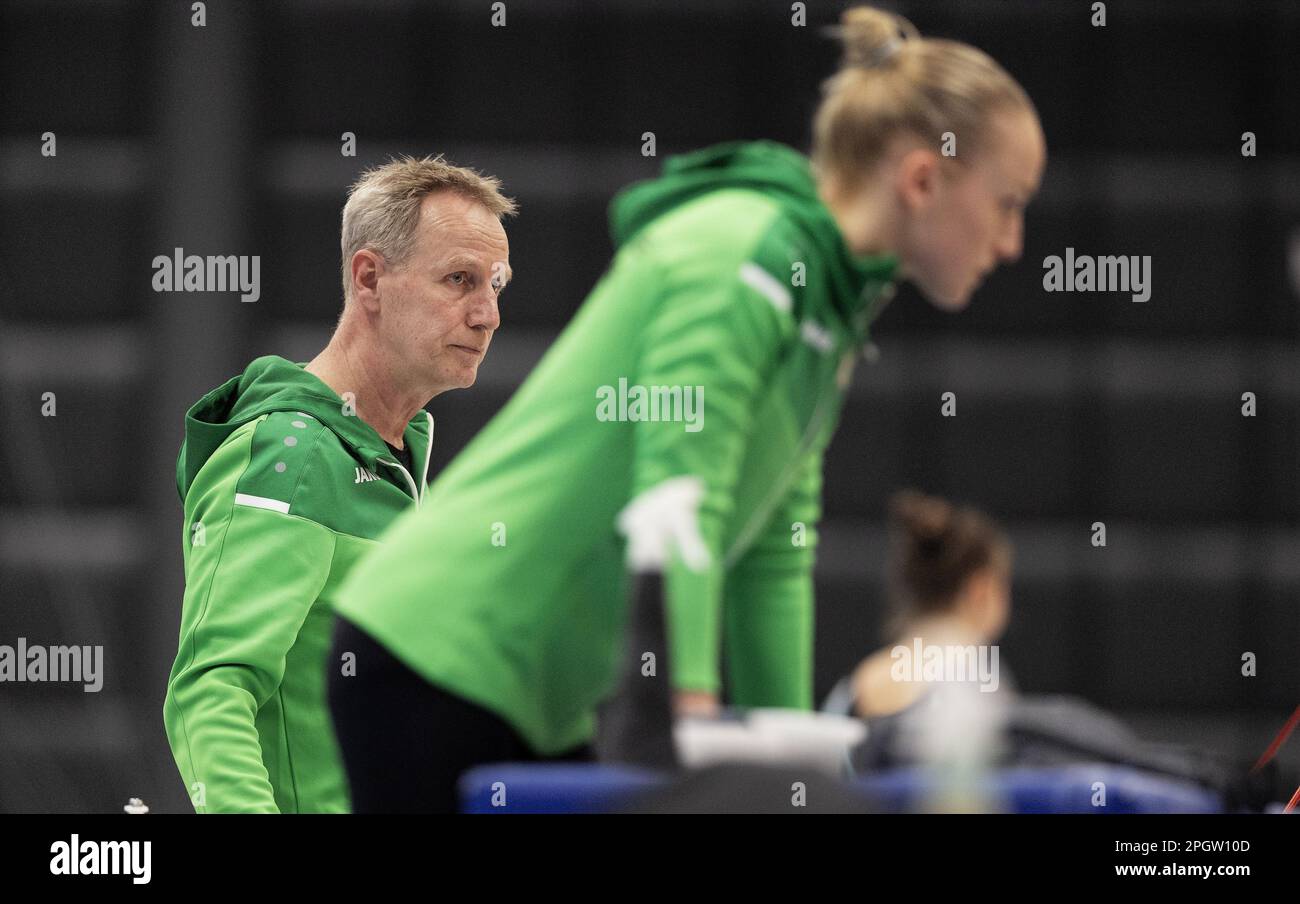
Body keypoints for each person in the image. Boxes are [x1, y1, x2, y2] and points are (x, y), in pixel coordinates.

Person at [328, 4, 1047, 812]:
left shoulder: (830, 315)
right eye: (1009, 203)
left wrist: (793, 758)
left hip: (546, 693)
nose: (1013, 242)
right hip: (433, 654)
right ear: (923, 178)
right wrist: (693, 711)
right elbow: (678, 495)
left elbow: (775, 551)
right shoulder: (738, 251)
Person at [163, 155, 514, 812]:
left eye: (496, 285)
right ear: (370, 278)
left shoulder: (393, 455)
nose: (487, 314)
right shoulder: (291, 454)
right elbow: (211, 691)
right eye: (460, 280)